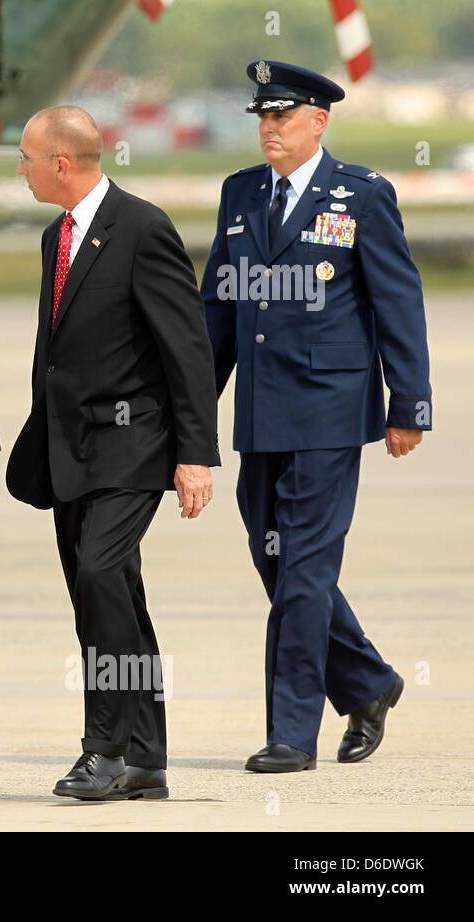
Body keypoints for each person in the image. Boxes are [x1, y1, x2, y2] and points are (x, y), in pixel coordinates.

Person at [201, 61, 430, 774]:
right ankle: (367, 681)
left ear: (317, 121)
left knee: (303, 569)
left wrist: (408, 402)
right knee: (276, 561)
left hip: (330, 410)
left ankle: (290, 734)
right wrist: (188, 413)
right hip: (261, 412)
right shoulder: (239, 194)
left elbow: (398, 300)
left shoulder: (360, 194)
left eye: (282, 116)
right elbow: (220, 309)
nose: (269, 128)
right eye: (262, 117)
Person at [6, 106, 219, 801]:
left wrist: (194, 454)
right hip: (71, 451)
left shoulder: (141, 227)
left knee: (100, 577)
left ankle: (105, 750)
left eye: (28, 157)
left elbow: (186, 346)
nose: (22, 168)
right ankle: (148, 760)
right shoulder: (53, 237)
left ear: (61, 163)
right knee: (111, 594)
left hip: (134, 443)